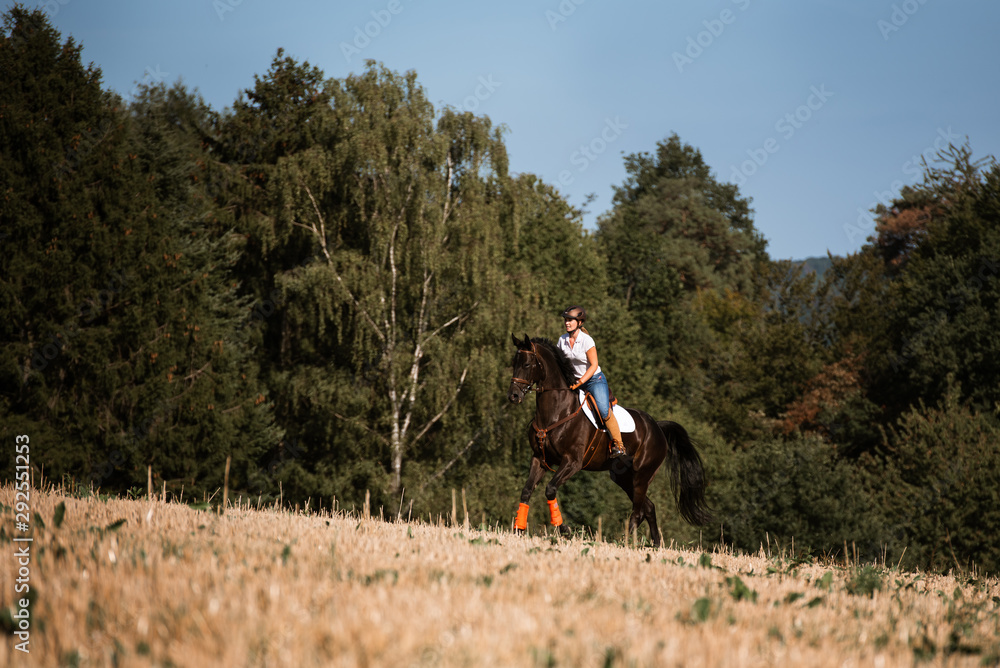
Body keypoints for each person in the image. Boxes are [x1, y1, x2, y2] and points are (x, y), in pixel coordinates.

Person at [556, 306, 626, 458]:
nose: (567, 323)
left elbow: (594, 365)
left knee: (602, 409)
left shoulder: (587, 340)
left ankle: (619, 445)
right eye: (566, 320)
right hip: (573, 381)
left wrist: (580, 381)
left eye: (570, 320)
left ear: (579, 322)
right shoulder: (562, 340)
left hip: (594, 380)